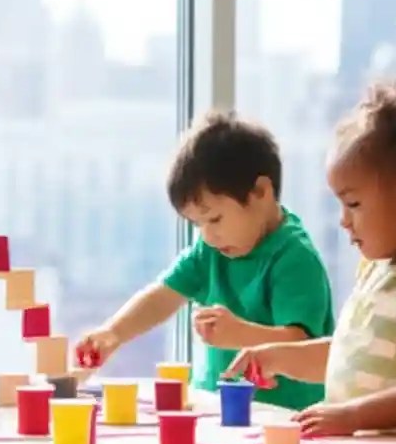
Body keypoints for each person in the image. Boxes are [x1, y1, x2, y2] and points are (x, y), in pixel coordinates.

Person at [224, 75, 396, 444]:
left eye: (354, 204)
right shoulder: (377, 273)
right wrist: (276, 357)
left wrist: (352, 416)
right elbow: (348, 354)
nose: (344, 219)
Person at [73, 110, 335, 410]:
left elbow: (304, 344)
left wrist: (241, 334)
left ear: (261, 192)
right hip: (216, 409)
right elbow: (163, 295)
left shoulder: (294, 258)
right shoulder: (213, 248)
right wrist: (113, 333)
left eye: (215, 219)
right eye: (198, 225)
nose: (208, 236)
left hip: (284, 421)